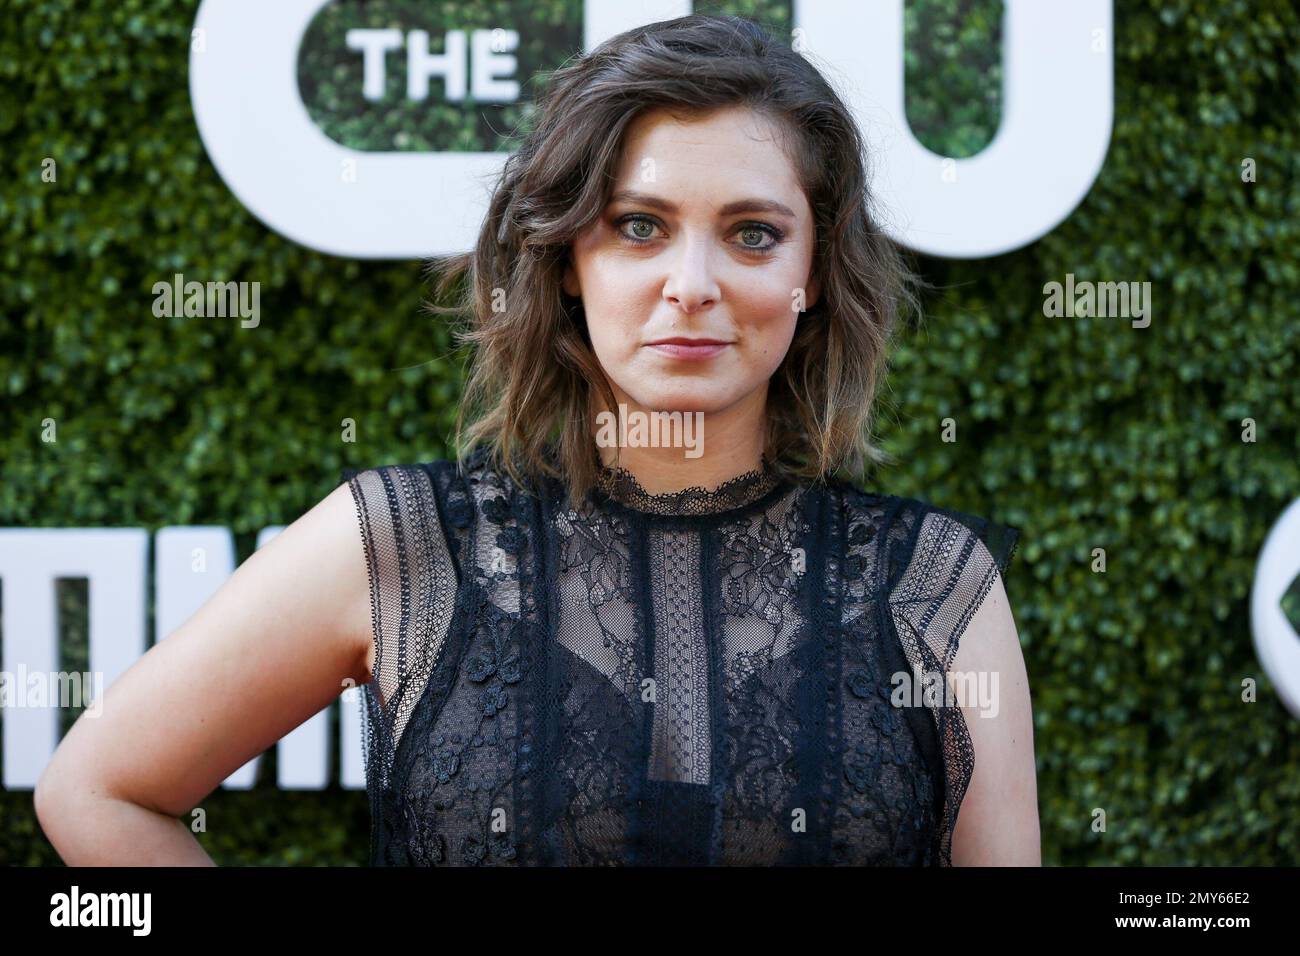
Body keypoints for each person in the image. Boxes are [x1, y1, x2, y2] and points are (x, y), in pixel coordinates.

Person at [35, 13, 1039, 866]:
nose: (692, 281)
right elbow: (99, 788)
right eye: (638, 226)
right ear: (565, 261)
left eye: (752, 232)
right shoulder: (404, 543)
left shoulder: (933, 583)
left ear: (810, 273)